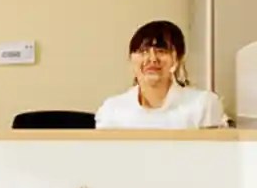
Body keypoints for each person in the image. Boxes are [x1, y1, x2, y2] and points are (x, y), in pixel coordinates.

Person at [95, 20, 228, 129]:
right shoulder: (112, 109)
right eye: (143, 51)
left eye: (161, 51)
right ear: (131, 59)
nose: (152, 59)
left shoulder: (204, 105)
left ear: (178, 59)